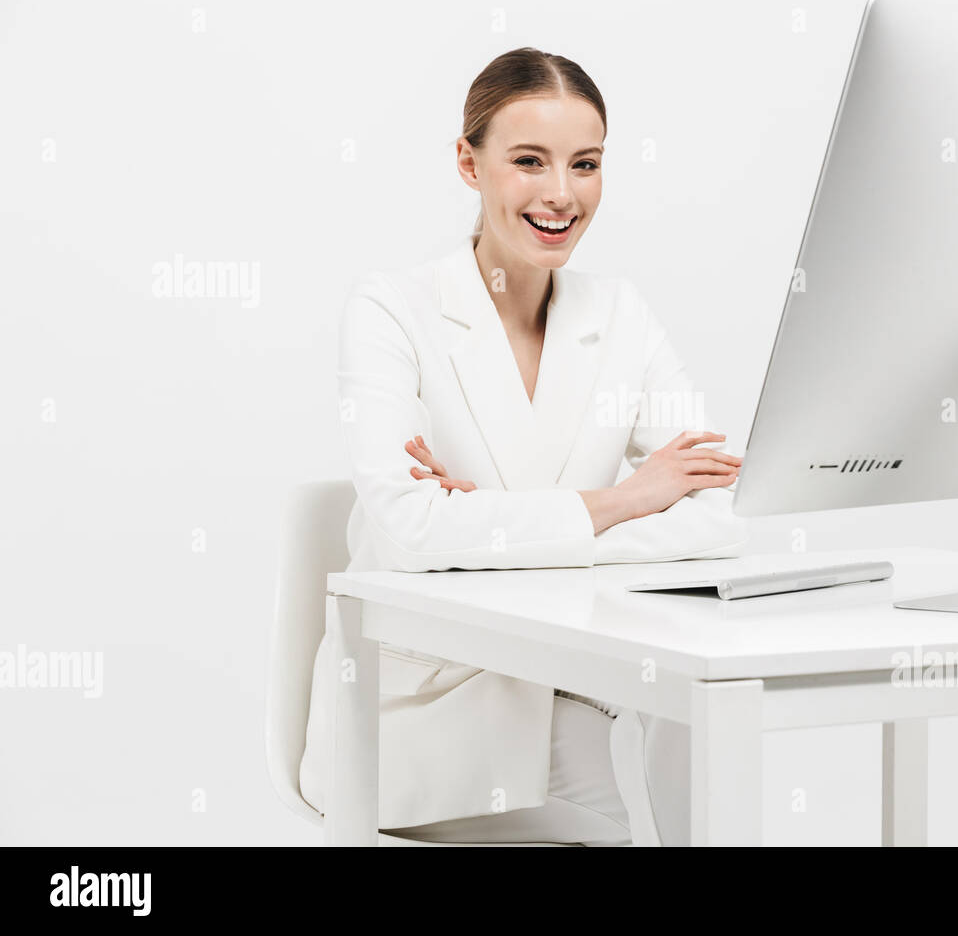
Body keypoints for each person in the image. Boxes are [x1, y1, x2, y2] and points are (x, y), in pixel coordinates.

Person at [298, 47, 748, 846]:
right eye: (529, 162)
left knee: (698, 715)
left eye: (586, 164)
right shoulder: (392, 310)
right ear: (470, 164)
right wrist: (623, 501)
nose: (561, 195)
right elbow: (408, 529)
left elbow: (718, 512)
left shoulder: (621, 313)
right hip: (430, 703)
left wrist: (495, 531)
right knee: (641, 780)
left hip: (574, 680)